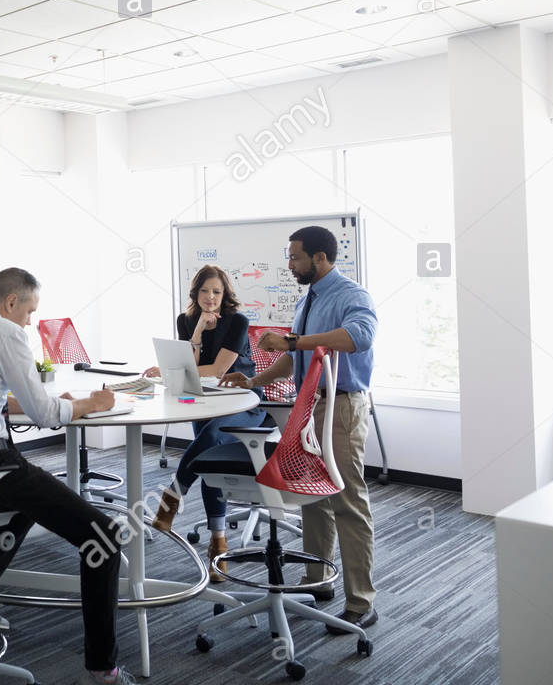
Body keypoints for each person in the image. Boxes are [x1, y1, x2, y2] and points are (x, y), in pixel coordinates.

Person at [0, 267, 154, 685]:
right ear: (11, 302)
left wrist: (52, 401)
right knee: (103, 538)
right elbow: (45, 417)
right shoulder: (6, 332)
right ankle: (101, 676)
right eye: (29, 311)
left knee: (36, 492)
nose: (30, 322)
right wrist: (92, 403)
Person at [221, 226, 379, 633]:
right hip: (309, 405)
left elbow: (358, 337)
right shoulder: (309, 297)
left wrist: (294, 342)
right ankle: (317, 581)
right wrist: (254, 380)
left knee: (347, 500)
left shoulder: (350, 295)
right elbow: (297, 359)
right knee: (313, 499)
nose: (290, 264)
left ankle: (362, 602)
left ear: (320, 258)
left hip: (340, 406)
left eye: (295, 257)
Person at [143, 265, 267, 582]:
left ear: (225, 295)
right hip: (205, 400)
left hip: (244, 401)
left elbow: (219, 370)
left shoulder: (238, 321)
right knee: (211, 461)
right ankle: (217, 537)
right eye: (204, 291)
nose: (210, 297)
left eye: (216, 291)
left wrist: (171, 370)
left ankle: (172, 496)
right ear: (195, 293)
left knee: (211, 434)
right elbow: (192, 366)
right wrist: (197, 331)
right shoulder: (185, 321)